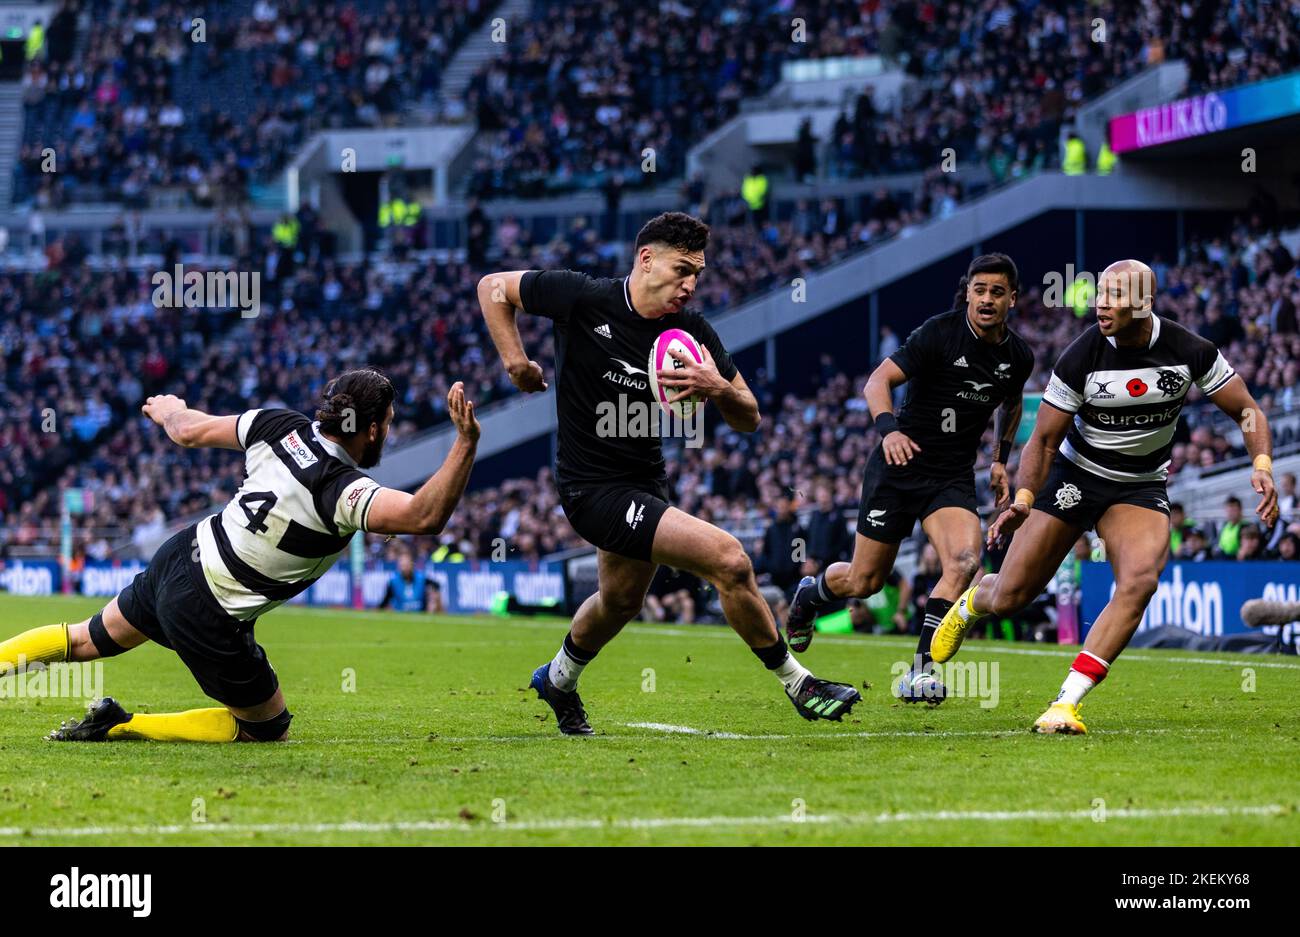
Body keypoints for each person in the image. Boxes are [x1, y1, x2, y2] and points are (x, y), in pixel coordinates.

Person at [477, 211, 859, 734]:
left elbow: (749, 416)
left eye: (698, 274)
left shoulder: (692, 331)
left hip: (646, 483)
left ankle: (558, 680)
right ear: (646, 259)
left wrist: (718, 387)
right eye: (683, 270)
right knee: (730, 560)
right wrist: (515, 361)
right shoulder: (584, 298)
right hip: (590, 489)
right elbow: (492, 287)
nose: (691, 284)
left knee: (619, 602)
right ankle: (799, 684)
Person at [4, 369, 480, 742]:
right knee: (265, 727)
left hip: (183, 554)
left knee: (85, 640)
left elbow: (187, 431)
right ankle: (122, 724)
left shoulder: (279, 424)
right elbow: (423, 517)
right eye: (389, 426)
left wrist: (172, 408)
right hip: (210, 610)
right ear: (372, 429)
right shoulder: (343, 489)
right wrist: (465, 443)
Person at [931, 259, 1278, 734]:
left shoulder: (1189, 350)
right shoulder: (1081, 355)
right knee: (1010, 597)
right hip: (1077, 477)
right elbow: (1044, 441)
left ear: (1144, 303)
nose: (1101, 304)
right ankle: (973, 601)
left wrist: (1262, 467)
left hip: (1138, 485)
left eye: (1115, 296)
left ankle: (1065, 702)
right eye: (1100, 294)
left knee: (1140, 581)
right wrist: (1026, 498)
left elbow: (1248, 411)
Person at [785, 254, 1034, 705]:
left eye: (997, 292)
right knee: (865, 582)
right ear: (969, 294)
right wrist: (889, 431)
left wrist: (1000, 459)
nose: (987, 299)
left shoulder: (1018, 356)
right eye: (979, 290)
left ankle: (919, 673)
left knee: (963, 563)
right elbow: (876, 382)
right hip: (898, 466)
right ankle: (811, 594)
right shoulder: (938, 333)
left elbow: (1011, 403)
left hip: (951, 476)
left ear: (1011, 299)